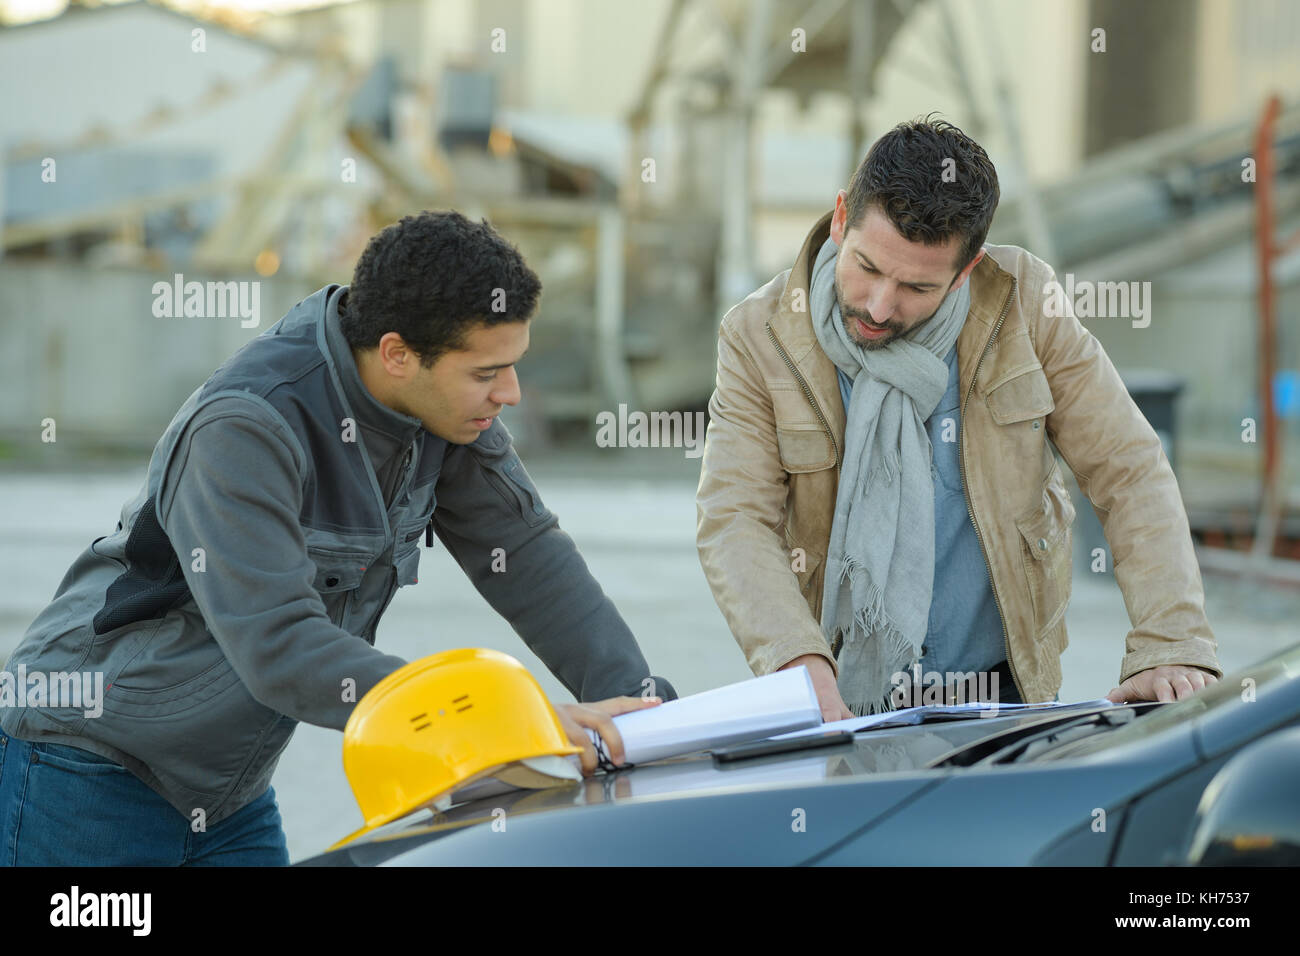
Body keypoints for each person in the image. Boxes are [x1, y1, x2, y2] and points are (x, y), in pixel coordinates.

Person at [0, 210, 674, 865]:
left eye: (512, 365)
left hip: (227, 795)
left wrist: (650, 715)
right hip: (87, 769)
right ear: (397, 353)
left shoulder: (443, 412)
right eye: (487, 372)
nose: (512, 394)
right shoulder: (246, 426)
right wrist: (508, 722)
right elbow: (280, 645)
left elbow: (526, 556)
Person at [695, 115, 1221, 721]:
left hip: (1003, 696)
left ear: (966, 269)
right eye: (867, 266)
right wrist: (793, 658)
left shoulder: (1026, 304)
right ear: (841, 218)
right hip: (834, 696)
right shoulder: (758, 336)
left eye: (917, 287)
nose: (879, 305)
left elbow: (1127, 467)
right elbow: (735, 515)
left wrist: (1171, 642)